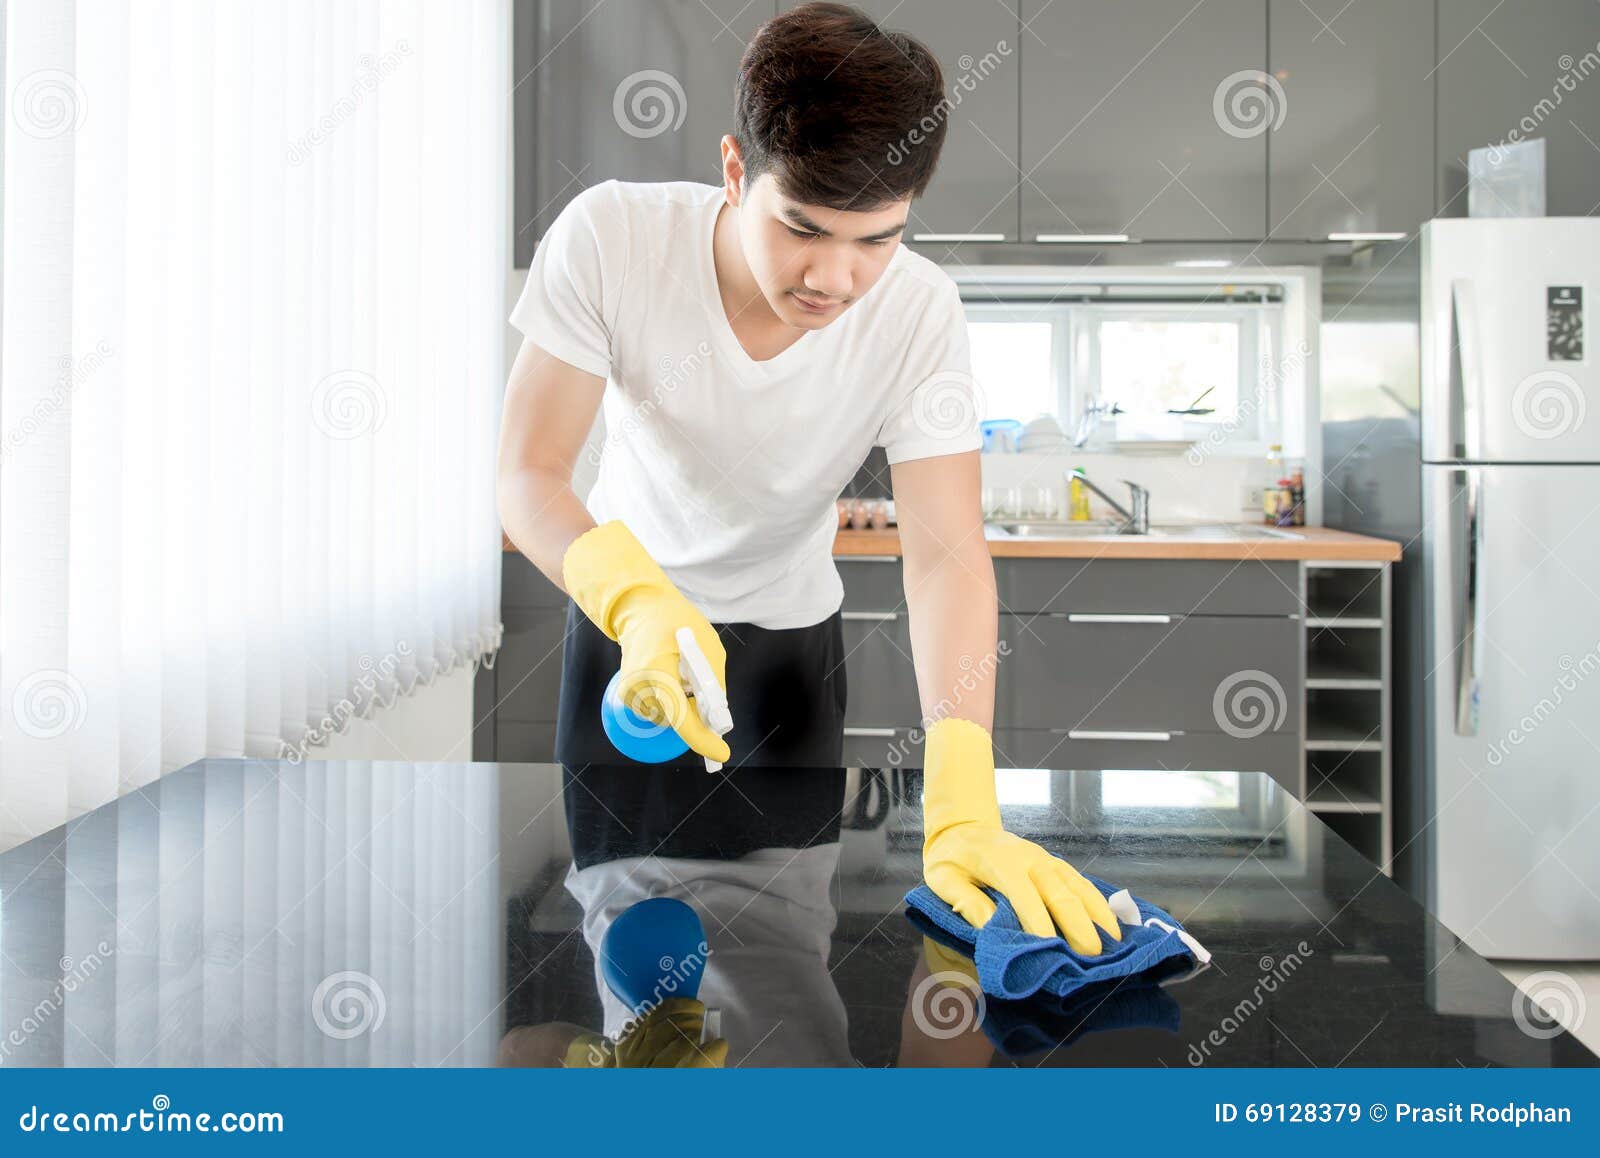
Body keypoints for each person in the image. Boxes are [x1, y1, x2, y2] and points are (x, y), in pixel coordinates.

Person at [496, 2, 1118, 952]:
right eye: (802, 229)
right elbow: (529, 473)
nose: (835, 278)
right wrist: (636, 603)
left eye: (877, 239)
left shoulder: (919, 312)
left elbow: (947, 554)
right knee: (629, 956)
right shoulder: (613, 238)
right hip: (629, 642)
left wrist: (963, 792)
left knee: (783, 965)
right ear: (734, 170)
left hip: (789, 660)